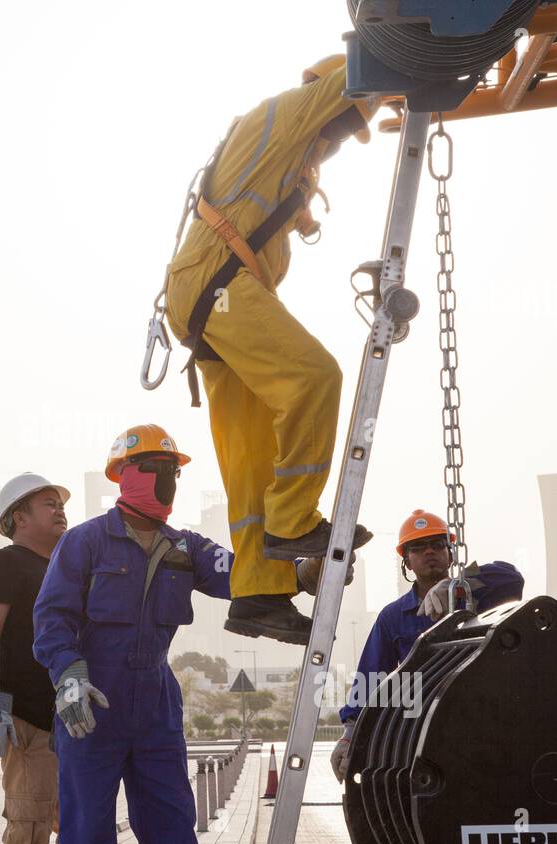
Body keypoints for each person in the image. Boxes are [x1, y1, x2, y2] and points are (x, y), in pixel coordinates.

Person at [163, 53, 380, 643]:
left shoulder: (294, 164)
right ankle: (290, 522)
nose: (337, 138)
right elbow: (352, 80)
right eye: (341, 122)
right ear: (322, 98)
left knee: (251, 455)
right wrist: (408, 51)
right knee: (315, 377)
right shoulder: (284, 113)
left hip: (212, 295)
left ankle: (257, 594)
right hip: (217, 287)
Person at [33, 424, 238, 844]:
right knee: (86, 833)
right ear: (124, 473)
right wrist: (68, 674)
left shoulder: (186, 548)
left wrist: (302, 572)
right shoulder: (84, 542)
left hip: (156, 708)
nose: (165, 479)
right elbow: (52, 618)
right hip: (92, 704)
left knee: (172, 830)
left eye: (173, 471)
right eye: (154, 468)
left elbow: (242, 576)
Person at [330, 510, 525, 782]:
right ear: (407, 562)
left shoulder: (475, 596)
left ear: (450, 553)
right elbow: (372, 676)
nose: (429, 552)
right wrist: (350, 735)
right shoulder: (393, 617)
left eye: (437, 545)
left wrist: (457, 585)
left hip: (479, 715)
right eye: (418, 548)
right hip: (419, 726)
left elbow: (511, 578)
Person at [0, 472, 70, 844]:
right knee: (28, 834)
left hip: (73, 720)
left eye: (61, 504)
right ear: (19, 518)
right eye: (49, 504)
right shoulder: (5, 563)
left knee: (80, 827)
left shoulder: (71, 567)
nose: (61, 510)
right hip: (28, 723)